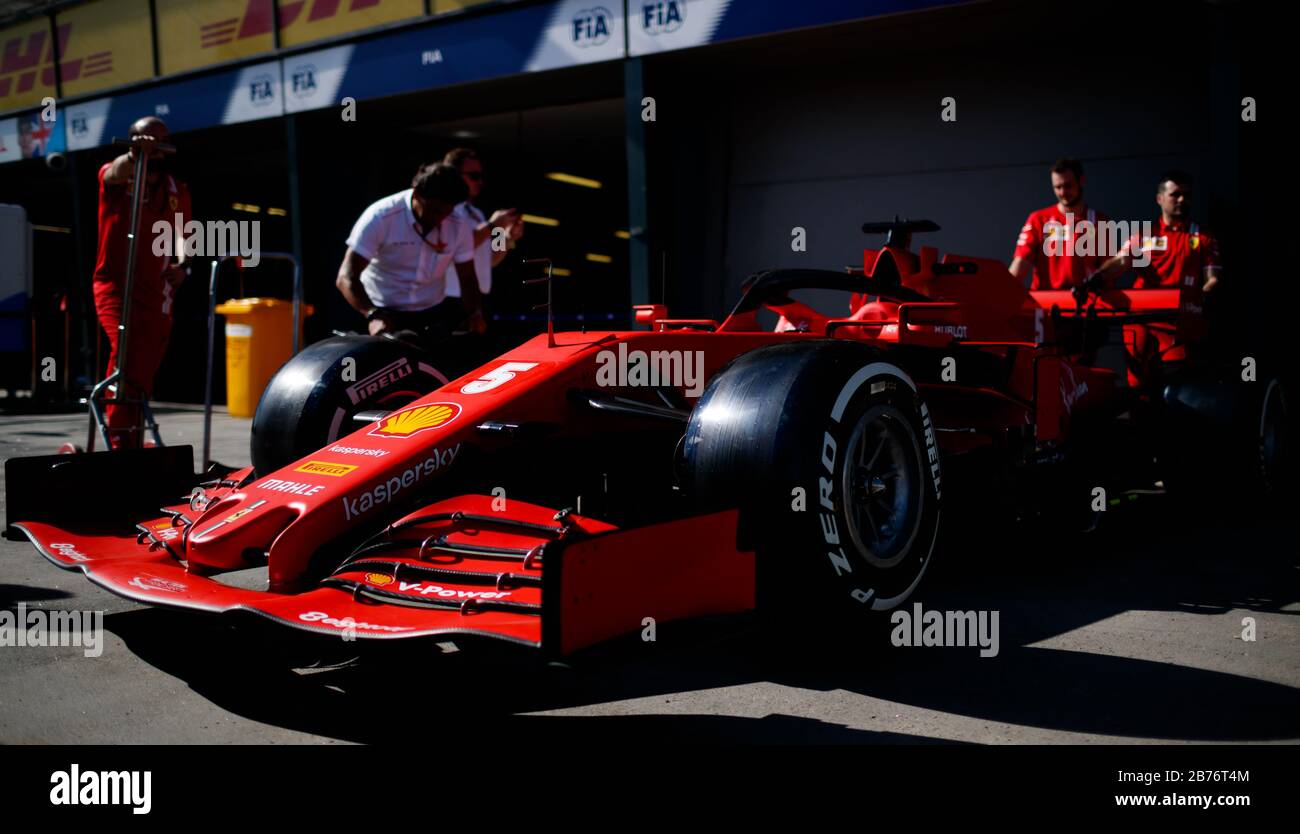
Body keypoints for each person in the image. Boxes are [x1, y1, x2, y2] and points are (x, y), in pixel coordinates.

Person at [93, 116, 191, 449]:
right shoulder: (116, 177)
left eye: (160, 143)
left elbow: (183, 237)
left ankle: (132, 437)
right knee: (125, 351)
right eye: (148, 142)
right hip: (115, 288)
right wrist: (135, 156)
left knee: (145, 367)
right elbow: (113, 171)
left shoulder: (177, 191)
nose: (155, 151)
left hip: (157, 292)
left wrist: (183, 265)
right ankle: (119, 437)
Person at [335, 163, 484, 342]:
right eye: (434, 211)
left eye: (446, 212)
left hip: (431, 312)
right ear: (417, 194)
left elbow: (468, 276)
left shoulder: (460, 223)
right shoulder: (381, 216)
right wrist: (372, 314)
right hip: (381, 311)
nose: (439, 219)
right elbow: (345, 276)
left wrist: (474, 312)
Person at [1094, 170, 1221, 292]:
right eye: (1175, 195)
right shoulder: (1143, 235)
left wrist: (1198, 300)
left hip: (1185, 310)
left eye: (1186, 195)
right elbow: (1121, 261)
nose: (1182, 199)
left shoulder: (1203, 236)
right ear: (1159, 199)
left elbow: (1212, 279)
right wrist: (1097, 277)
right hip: (1146, 310)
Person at [1009, 157, 1110, 290]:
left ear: (1081, 181)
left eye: (1068, 185)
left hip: (1084, 303)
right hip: (1045, 305)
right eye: (1058, 187)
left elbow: (1109, 273)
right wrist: (1001, 294)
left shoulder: (1100, 221)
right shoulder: (1038, 219)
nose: (1062, 192)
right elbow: (1020, 265)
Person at [443, 148, 523, 311]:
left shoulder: (476, 213)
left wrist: (506, 237)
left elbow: (490, 260)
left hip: (476, 298)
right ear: (455, 175)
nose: (480, 182)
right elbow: (456, 248)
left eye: (480, 176)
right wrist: (493, 226)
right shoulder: (443, 210)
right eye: (474, 176)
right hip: (450, 297)